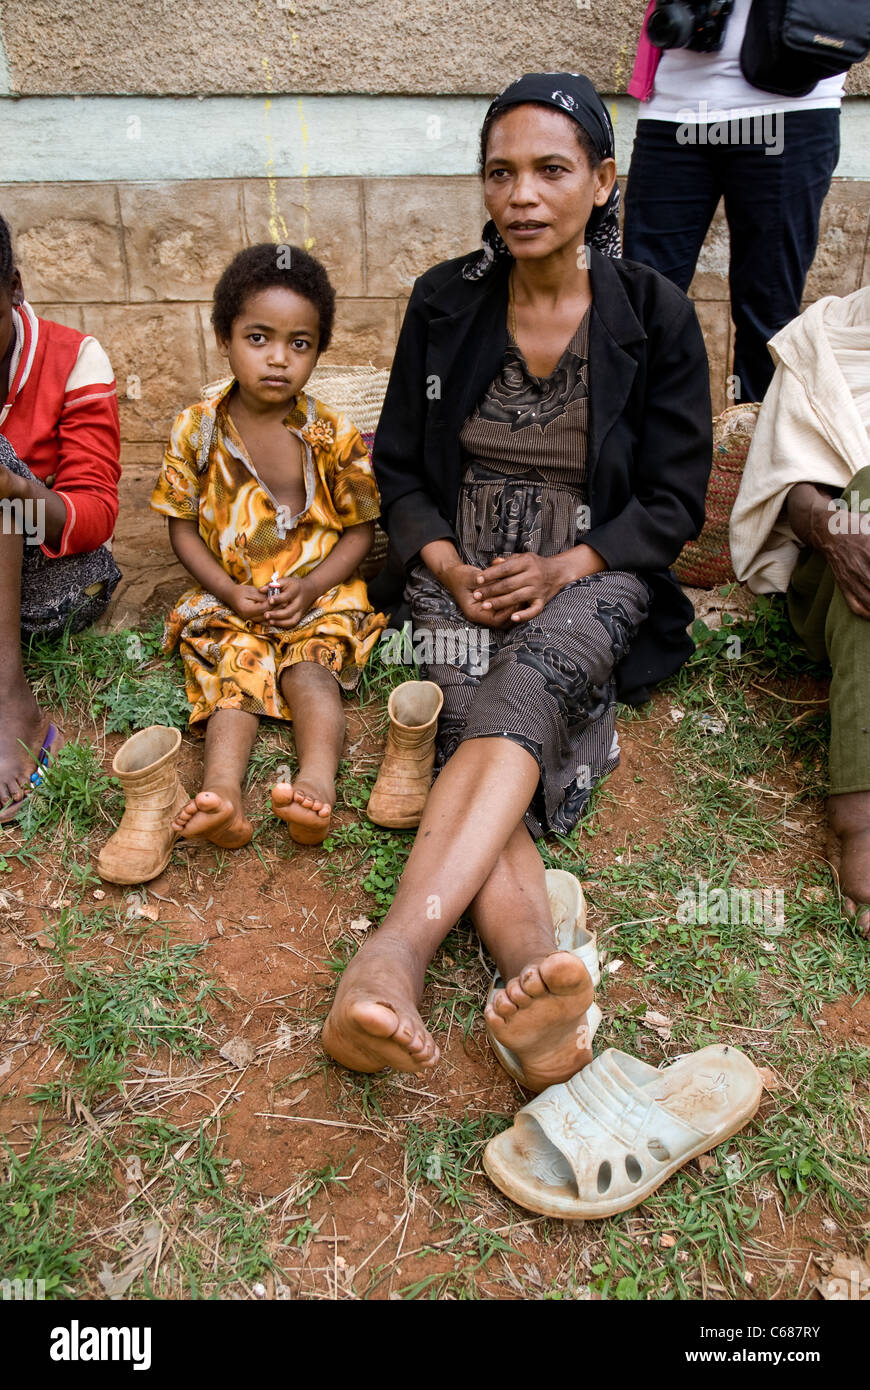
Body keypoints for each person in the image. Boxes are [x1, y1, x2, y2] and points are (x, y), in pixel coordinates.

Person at [322, 73, 713, 1090]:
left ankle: (393, 953)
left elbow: (673, 502)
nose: (523, 195)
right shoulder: (446, 302)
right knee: (472, 728)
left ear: (602, 180)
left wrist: (568, 565)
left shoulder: (656, 316)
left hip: (593, 571)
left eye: (551, 169)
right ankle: (539, 972)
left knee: (520, 696)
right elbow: (401, 470)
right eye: (501, 172)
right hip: (458, 569)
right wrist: (447, 565)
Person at [151, 244, 386, 848]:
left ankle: (316, 786)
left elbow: (361, 528)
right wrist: (228, 589)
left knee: (312, 672)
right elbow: (181, 525)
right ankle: (223, 794)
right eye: (258, 338)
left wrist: (310, 588)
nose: (278, 359)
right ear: (224, 338)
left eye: (299, 343)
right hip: (233, 598)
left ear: (317, 351)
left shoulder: (331, 434)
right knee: (235, 676)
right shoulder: (196, 427)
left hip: (318, 594)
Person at [730, 284, 870, 935]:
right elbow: (780, 484)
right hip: (841, 573)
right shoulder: (824, 336)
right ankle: (861, 811)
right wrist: (834, 524)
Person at [623, 0, 844, 404]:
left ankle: (750, 456)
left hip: (790, 106)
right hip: (676, 107)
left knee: (768, 314)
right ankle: (643, 455)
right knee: (641, 302)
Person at [0, 212, 121, 822]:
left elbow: (96, 513)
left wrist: (13, 487)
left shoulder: (74, 357)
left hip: (48, 586)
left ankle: (11, 700)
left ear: (15, 288)